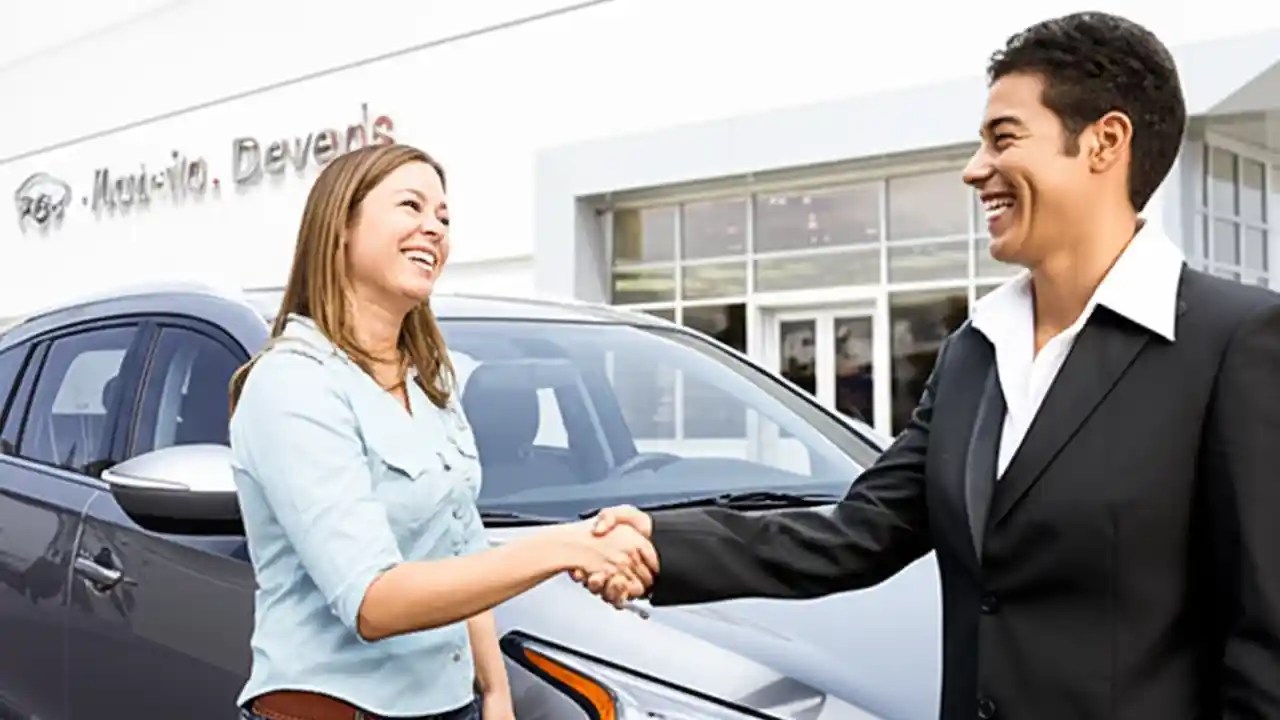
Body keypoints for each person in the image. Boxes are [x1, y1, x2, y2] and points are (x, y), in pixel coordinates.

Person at [579, 11, 1280, 720]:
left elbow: (1267, 643)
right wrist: (656, 544)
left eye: (1003, 138)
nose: (974, 170)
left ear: (1104, 142)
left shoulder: (1233, 345)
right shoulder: (977, 350)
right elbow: (857, 532)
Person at [227, 143, 656, 720]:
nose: (433, 228)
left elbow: (460, 536)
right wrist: (565, 545)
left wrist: (494, 691)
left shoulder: (430, 379)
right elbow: (373, 602)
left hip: (450, 707)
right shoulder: (292, 384)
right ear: (341, 228)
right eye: (411, 206)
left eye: (444, 218)